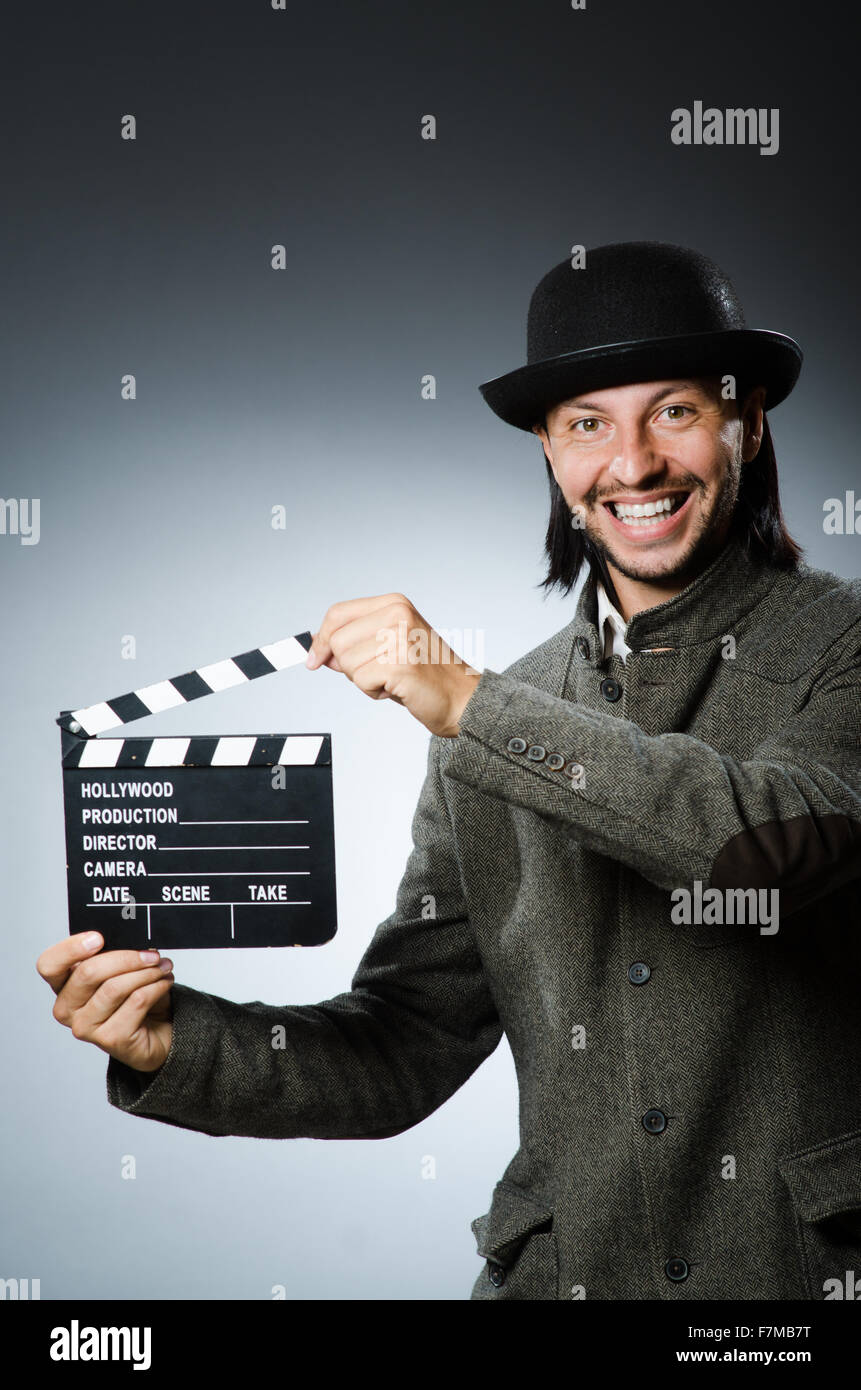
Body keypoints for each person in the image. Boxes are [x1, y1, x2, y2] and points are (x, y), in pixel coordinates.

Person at [38, 242, 861, 1300]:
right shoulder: (491, 724)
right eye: (586, 424)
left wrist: (471, 704)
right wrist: (173, 1040)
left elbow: (762, 844)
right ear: (549, 455)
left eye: (677, 411)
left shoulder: (838, 648)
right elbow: (402, 1046)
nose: (634, 462)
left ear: (748, 424)